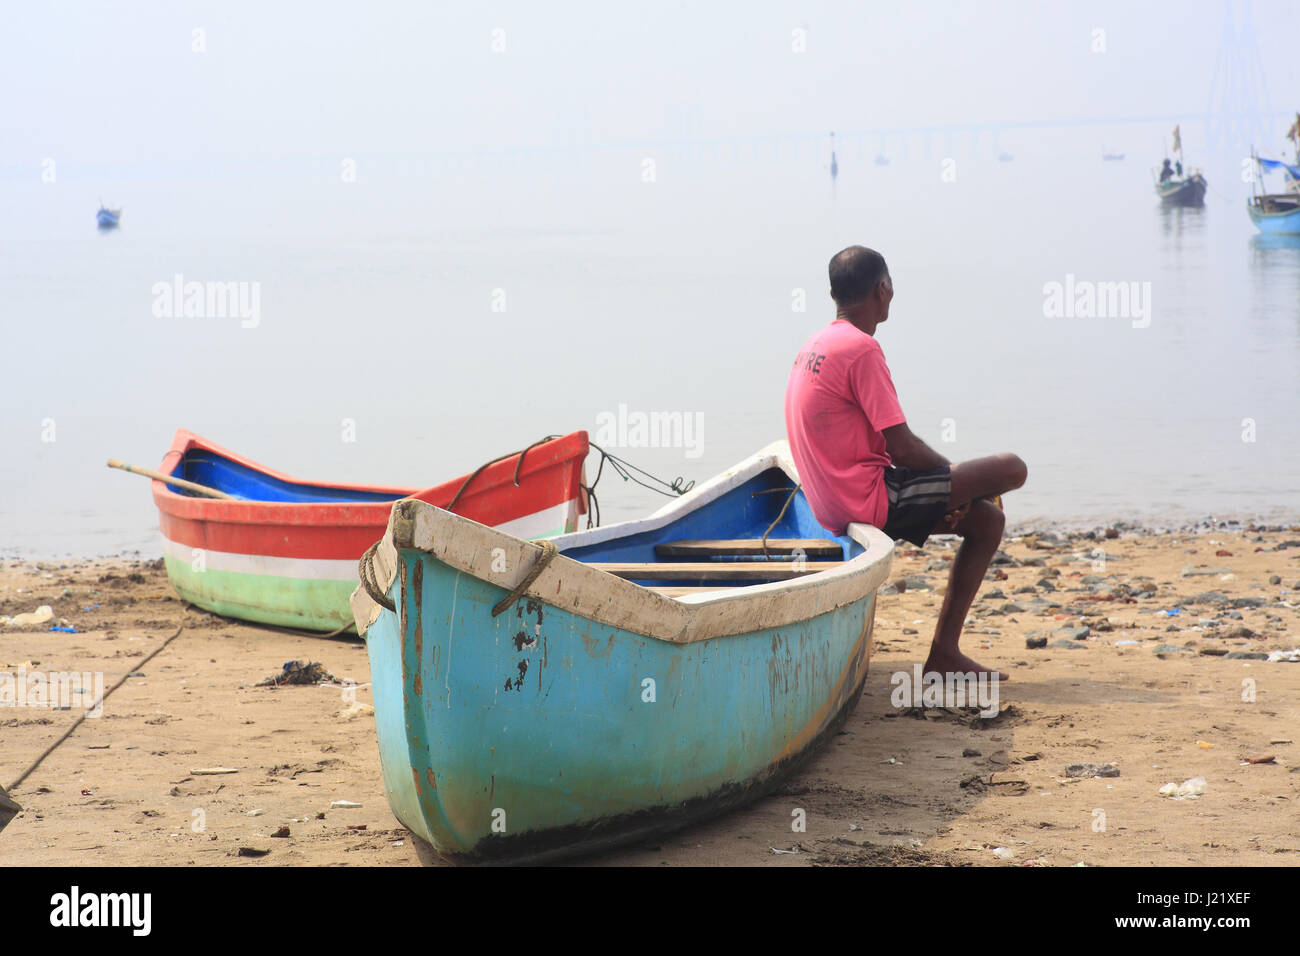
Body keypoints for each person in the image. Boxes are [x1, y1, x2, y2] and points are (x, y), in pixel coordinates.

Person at [785, 246, 1027, 679]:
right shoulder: (861, 350)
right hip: (865, 497)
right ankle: (944, 652)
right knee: (1010, 469)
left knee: (985, 520)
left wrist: (954, 493)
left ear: (833, 294)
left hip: (832, 502)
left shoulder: (814, 344)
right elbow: (903, 448)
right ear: (883, 290)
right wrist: (962, 485)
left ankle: (944, 656)